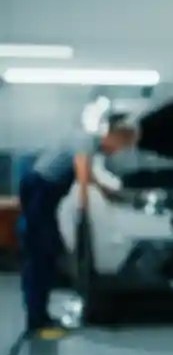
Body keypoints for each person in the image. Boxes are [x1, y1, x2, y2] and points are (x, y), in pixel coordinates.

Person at [19, 115, 138, 337]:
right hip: (39, 190)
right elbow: (82, 173)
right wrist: (83, 211)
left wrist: (109, 193)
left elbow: (89, 176)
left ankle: (40, 315)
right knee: (41, 254)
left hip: (42, 192)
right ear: (114, 136)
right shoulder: (85, 141)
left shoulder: (90, 144)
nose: (121, 151)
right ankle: (36, 321)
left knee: (48, 250)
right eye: (124, 145)